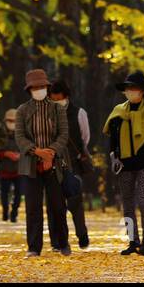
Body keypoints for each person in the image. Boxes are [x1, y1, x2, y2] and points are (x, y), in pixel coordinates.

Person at [104, 71, 144, 256]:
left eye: (134, 88)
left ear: (143, 91)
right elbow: (113, 140)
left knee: (143, 201)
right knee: (127, 204)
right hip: (125, 164)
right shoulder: (118, 112)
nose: (130, 91)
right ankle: (133, 240)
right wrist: (113, 157)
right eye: (128, 88)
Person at [15, 69, 69, 256]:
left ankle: (62, 243)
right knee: (33, 208)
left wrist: (51, 153)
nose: (39, 90)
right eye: (35, 87)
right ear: (29, 89)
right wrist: (37, 151)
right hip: (30, 164)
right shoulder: (22, 110)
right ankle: (33, 247)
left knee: (57, 206)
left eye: (42, 86)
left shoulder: (57, 109)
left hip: (54, 163)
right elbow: (19, 136)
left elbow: (64, 134)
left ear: (47, 87)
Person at [49, 81, 91, 248]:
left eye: (58, 99)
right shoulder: (47, 113)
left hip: (73, 161)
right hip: (52, 162)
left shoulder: (79, 113)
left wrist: (78, 152)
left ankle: (82, 234)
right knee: (54, 203)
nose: (55, 102)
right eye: (53, 99)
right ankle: (58, 241)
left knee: (75, 201)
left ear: (66, 97)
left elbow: (84, 137)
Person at [0, 108, 22, 223]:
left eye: (14, 120)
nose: (12, 123)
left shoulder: (22, 132)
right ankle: (5, 211)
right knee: (4, 193)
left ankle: (14, 213)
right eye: (9, 120)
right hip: (4, 169)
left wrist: (20, 155)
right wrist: (5, 154)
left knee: (18, 193)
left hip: (19, 169)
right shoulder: (0, 132)